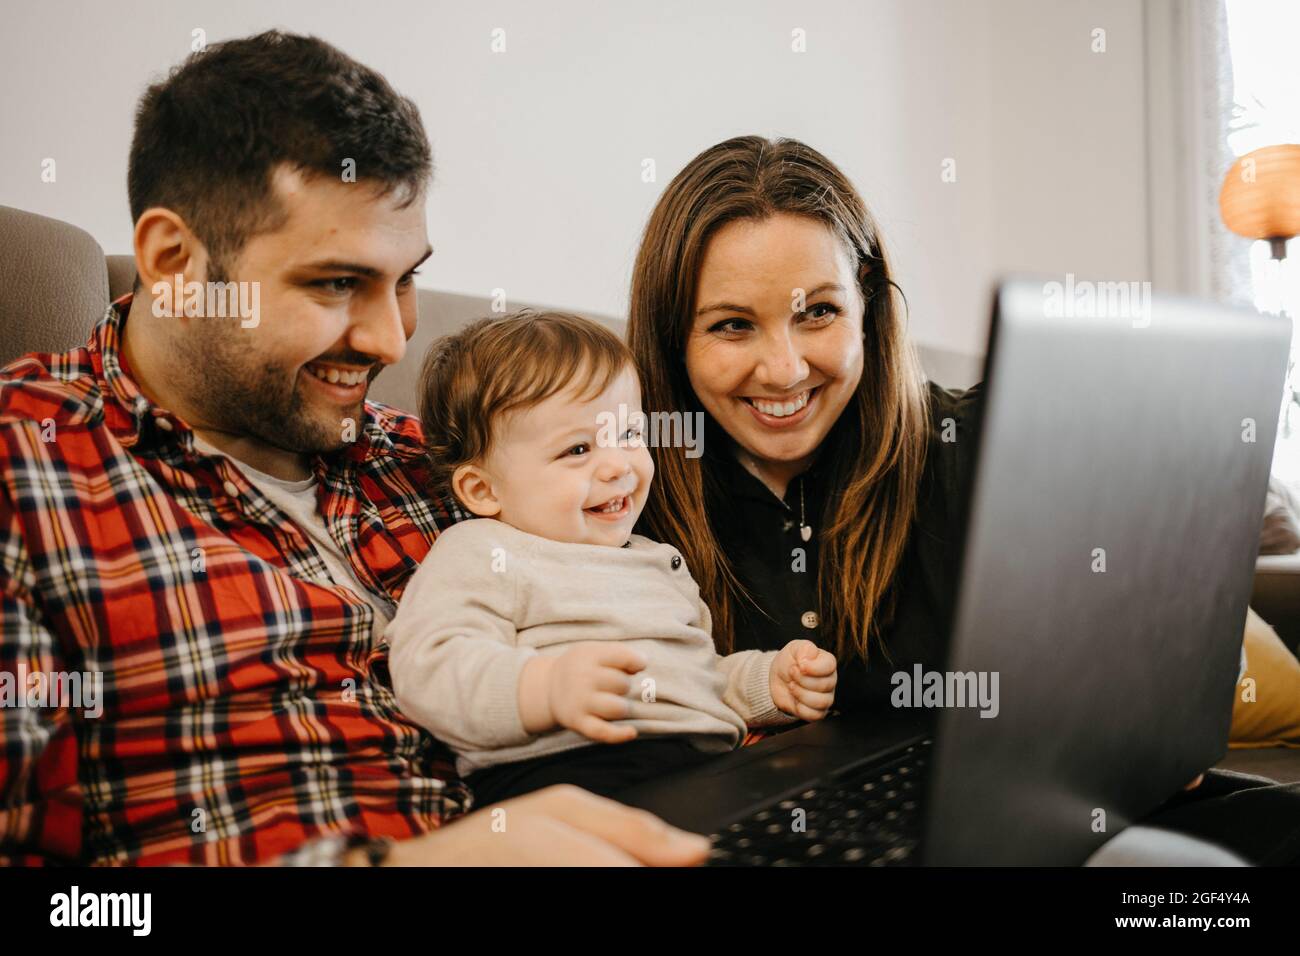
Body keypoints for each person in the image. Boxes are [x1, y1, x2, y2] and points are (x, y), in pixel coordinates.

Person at [0, 30, 709, 867]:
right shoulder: (31, 469)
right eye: (338, 283)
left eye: (404, 280)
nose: (390, 342)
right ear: (175, 262)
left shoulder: (437, 460)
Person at [625, 134, 1300, 865]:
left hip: (1033, 815)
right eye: (732, 325)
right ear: (673, 340)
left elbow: (1131, 627)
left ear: (869, 307)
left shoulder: (978, 442)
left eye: (818, 312)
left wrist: (1147, 729)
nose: (786, 369)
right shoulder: (615, 492)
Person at [385, 311, 837, 805]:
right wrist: (544, 689)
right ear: (482, 489)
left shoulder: (655, 560)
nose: (619, 464)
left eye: (628, 434)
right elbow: (429, 667)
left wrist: (767, 683)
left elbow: (694, 680)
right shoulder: (483, 550)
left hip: (701, 769)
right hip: (563, 775)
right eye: (578, 448)